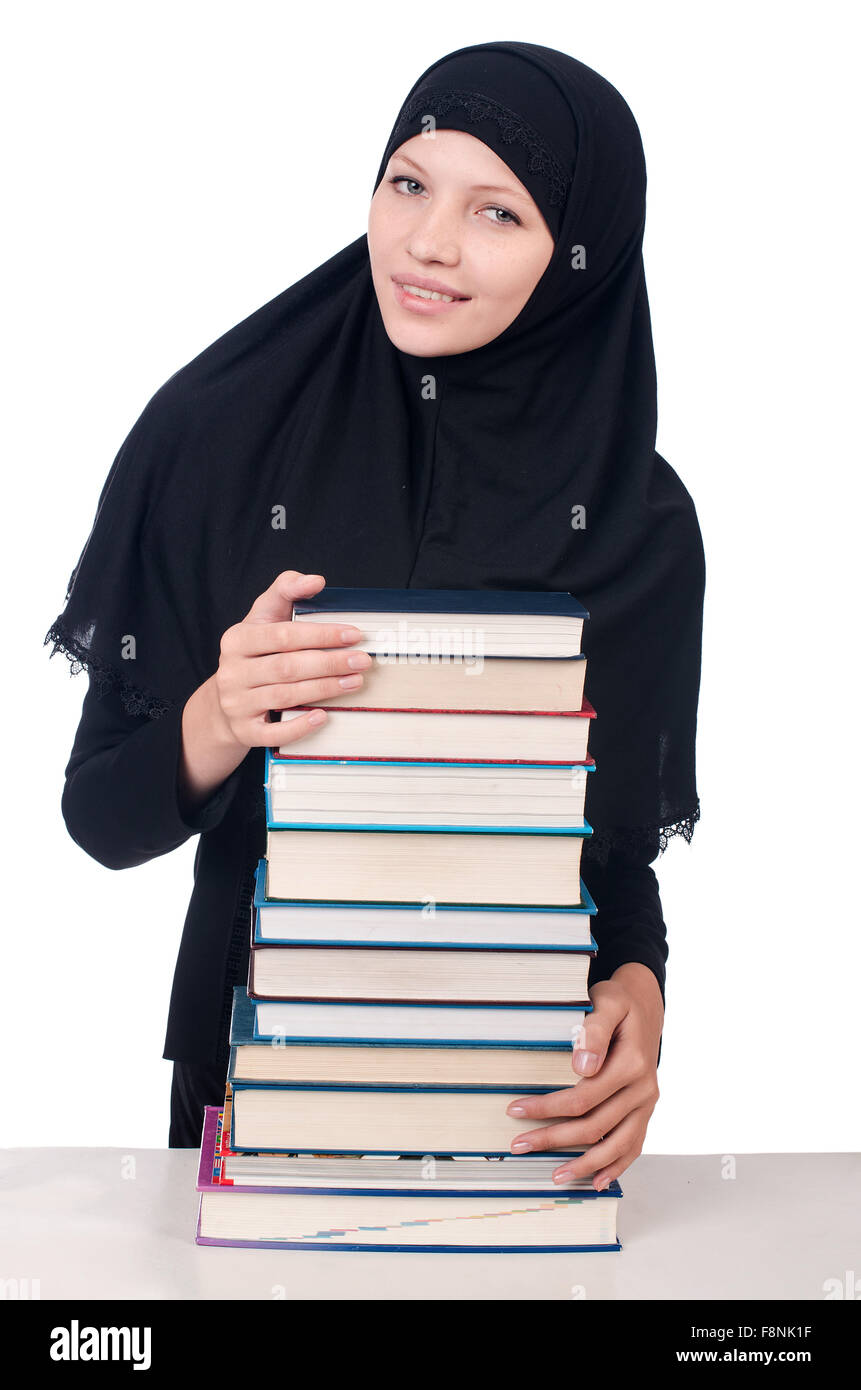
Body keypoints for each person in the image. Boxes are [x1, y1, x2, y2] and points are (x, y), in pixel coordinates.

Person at [44, 41, 705, 1191]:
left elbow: (610, 862)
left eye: (498, 211)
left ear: (582, 254)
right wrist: (218, 712)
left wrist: (639, 1002)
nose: (428, 242)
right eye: (407, 183)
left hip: (522, 1106)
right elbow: (101, 816)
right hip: (255, 1088)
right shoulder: (218, 437)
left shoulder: (641, 525)